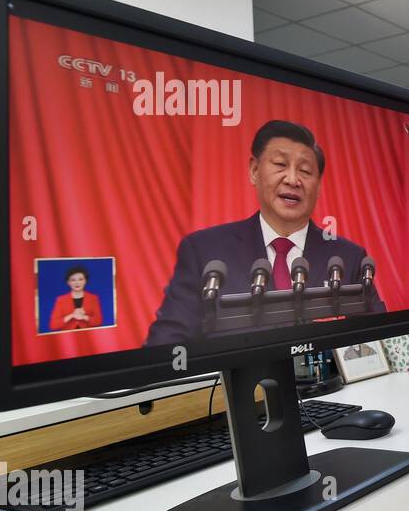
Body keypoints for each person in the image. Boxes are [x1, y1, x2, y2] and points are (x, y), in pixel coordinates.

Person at [145, 120, 382, 347]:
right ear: (255, 170)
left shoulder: (348, 258)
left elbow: (377, 344)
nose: (292, 179)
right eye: (280, 165)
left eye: (305, 171)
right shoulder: (205, 252)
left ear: (318, 186)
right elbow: (167, 348)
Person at [48, 265, 104, 332]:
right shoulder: (61, 300)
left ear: (85, 281)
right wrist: (71, 315)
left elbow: (99, 321)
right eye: (73, 280)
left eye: (80, 279)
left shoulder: (93, 298)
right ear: (68, 282)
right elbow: (53, 325)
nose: (77, 283)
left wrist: (84, 317)